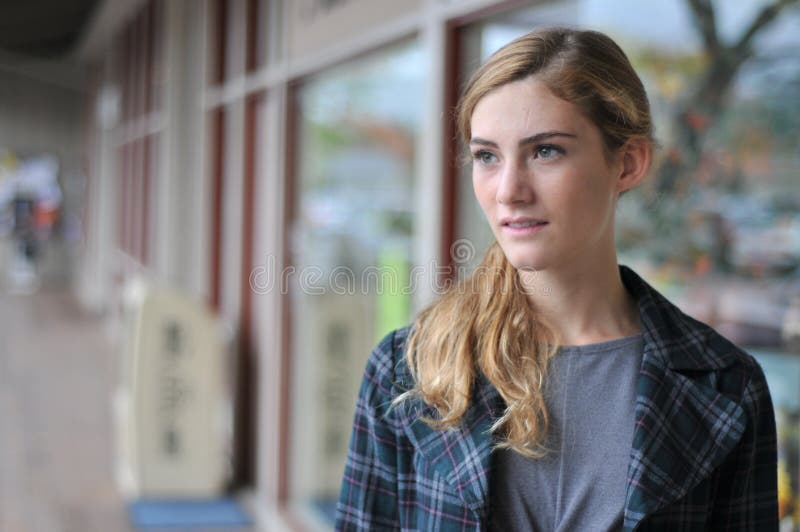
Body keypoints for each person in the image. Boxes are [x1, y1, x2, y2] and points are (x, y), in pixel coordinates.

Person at [335, 27, 778, 531]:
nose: (508, 191)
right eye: (487, 156)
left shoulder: (726, 384)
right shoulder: (408, 368)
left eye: (546, 151)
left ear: (627, 163)